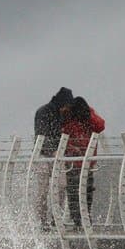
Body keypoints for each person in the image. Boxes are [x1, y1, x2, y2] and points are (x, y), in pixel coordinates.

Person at [59, 96, 106, 227]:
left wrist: (71, 148)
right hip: (83, 160)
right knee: (84, 190)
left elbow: (62, 137)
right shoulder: (84, 119)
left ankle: (79, 219)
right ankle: (84, 218)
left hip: (76, 160)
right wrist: (90, 113)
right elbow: (100, 125)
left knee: (75, 191)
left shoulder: (70, 119)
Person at [33, 88, 74, 229]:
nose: (67, 109)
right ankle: (43, 220)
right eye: (67, 105)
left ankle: (55, 218)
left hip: (54, 153)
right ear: (63, 102)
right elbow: (42, 134)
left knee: (60, 186)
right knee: (44, 189)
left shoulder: (57, 113)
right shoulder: (45, 112)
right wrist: (53, 150)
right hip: (44, 155)